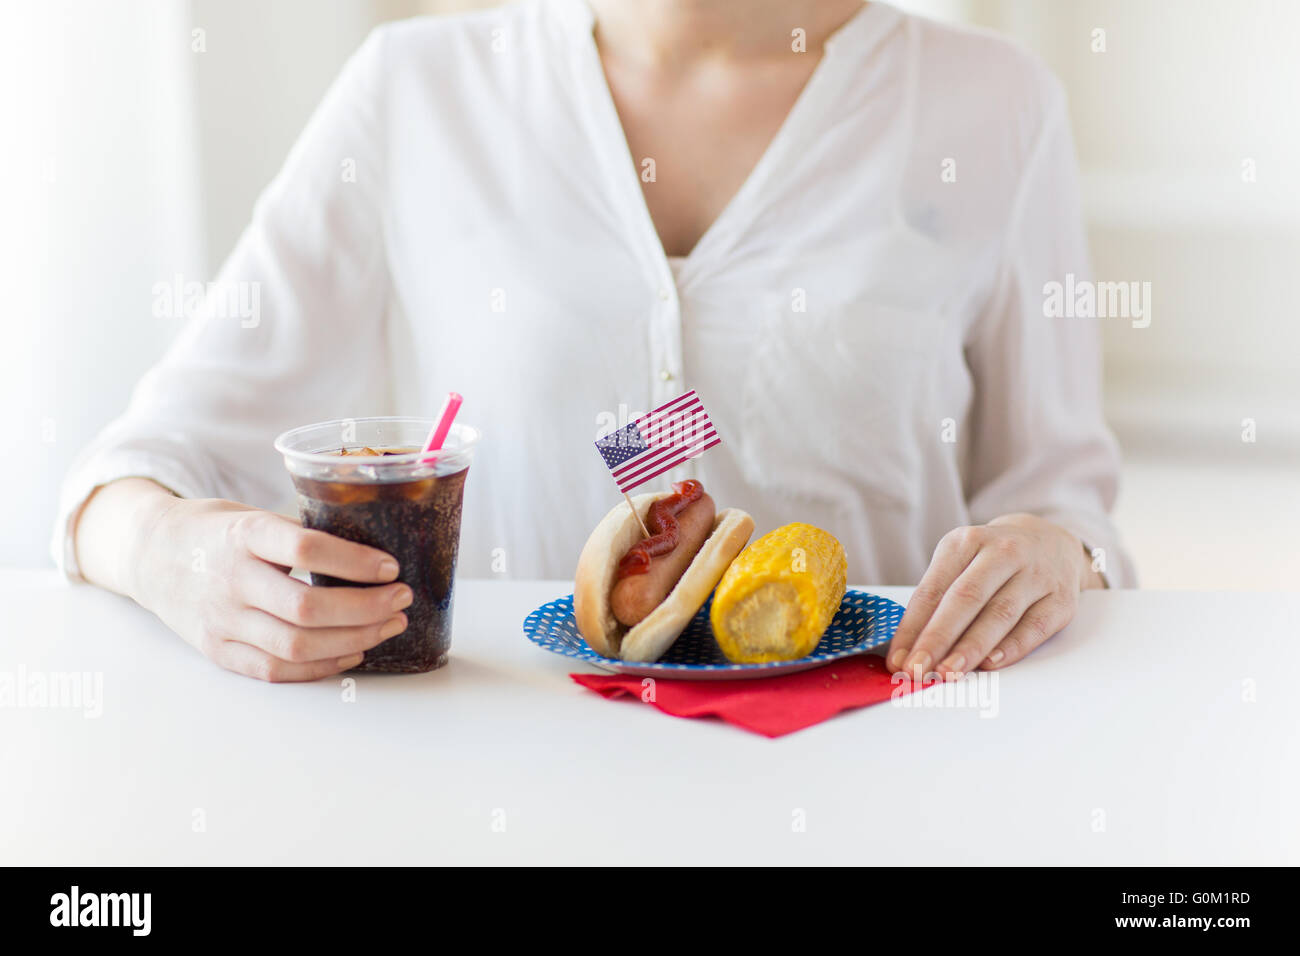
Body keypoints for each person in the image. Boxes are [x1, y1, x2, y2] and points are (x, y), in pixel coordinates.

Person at [55, 0, 1135, 682]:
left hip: (877, 769)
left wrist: (1056, 550)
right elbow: (135, 469)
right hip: (506, 775)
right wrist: (171, 553)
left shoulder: (995, 105)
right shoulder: (415, 90)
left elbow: (1065, 498)